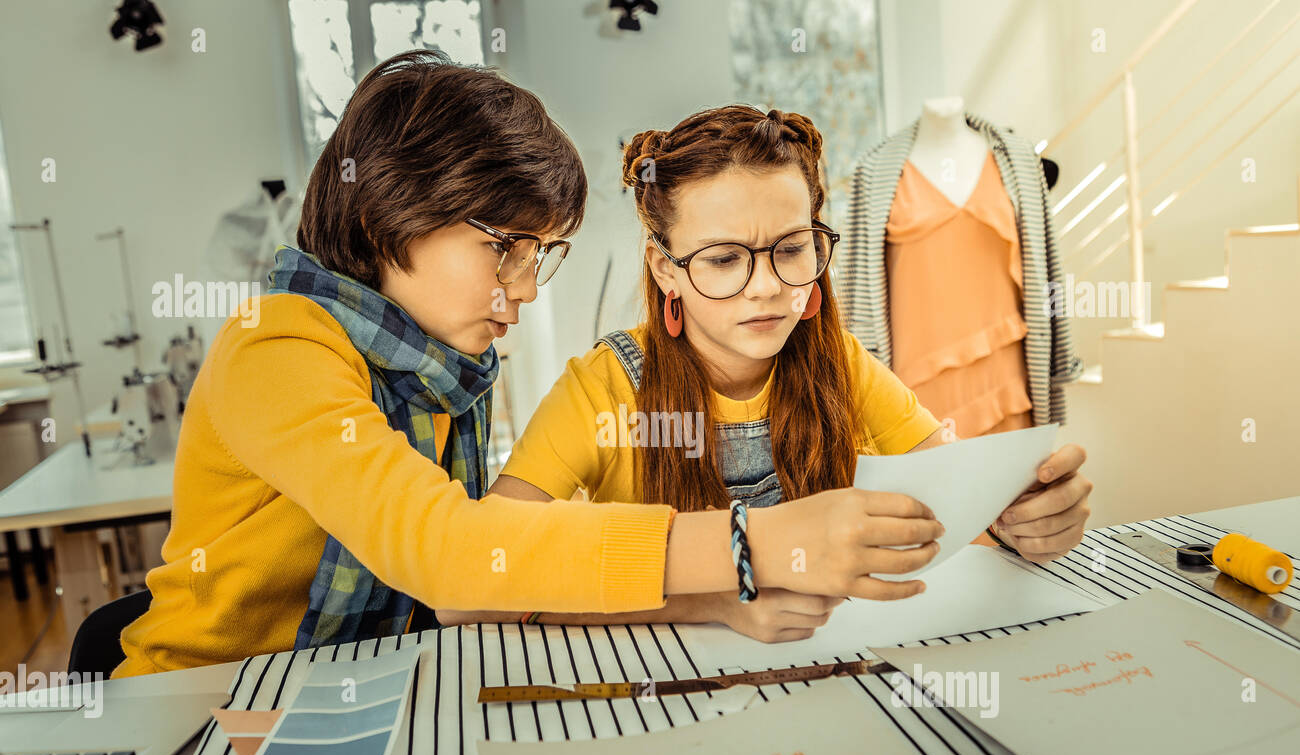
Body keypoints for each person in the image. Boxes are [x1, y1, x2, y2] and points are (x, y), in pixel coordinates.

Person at [111, 57, 945, 677]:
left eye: (539, 256)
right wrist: (747, 543)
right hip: (199, 706)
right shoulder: (279, 345)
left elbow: (486, 574)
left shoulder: (438, 371)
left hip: (353, 689)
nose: (525, 290)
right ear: (386, 213)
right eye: (505, 249)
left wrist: (714, 596)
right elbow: (450, 553)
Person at [456, 105, 1093, 644]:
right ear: (666, 269)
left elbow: (960, 510)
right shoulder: (604, 387)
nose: (765, 288)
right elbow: (471, 584)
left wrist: (1018, 524)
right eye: (725, 258)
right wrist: (715, 601)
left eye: (790, 250)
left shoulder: (840, 362)